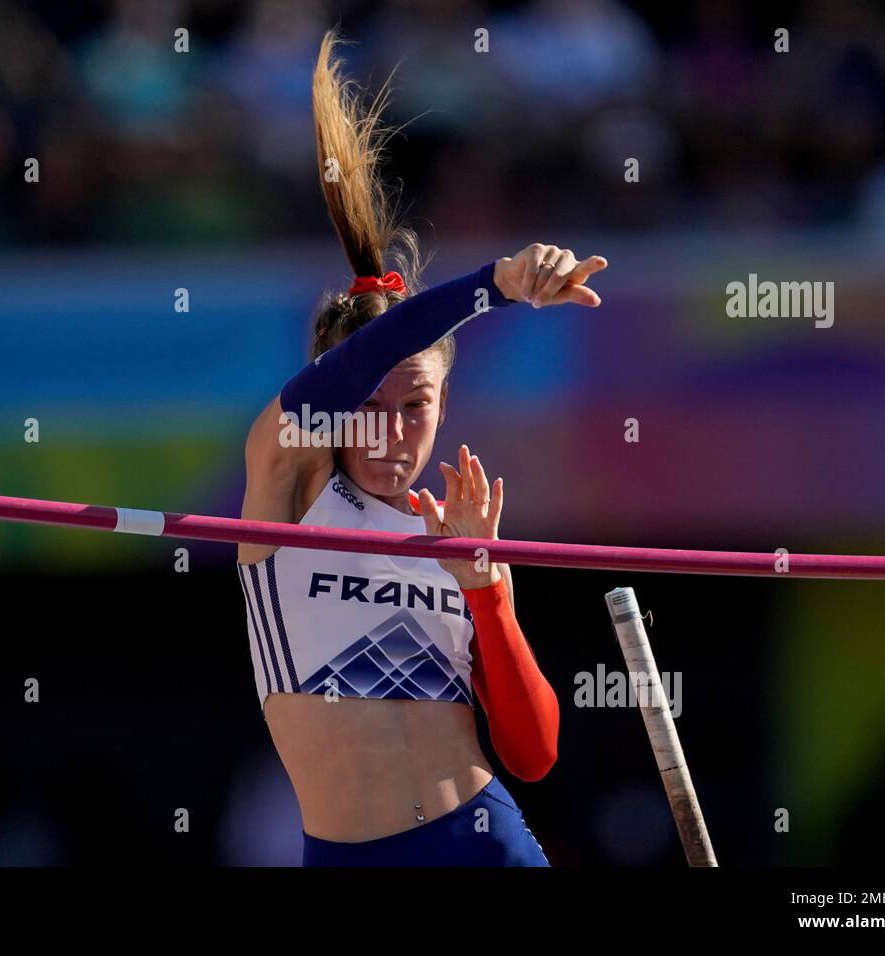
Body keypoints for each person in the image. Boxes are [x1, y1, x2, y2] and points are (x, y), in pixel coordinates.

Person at [236, 30, 607, 866]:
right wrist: (493, 288)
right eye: (369, 405)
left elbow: (534, 753)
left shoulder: (454, 534)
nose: (393, 429)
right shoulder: (289, 480)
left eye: (417, 406)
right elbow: (338, 382)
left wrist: (486, 590)